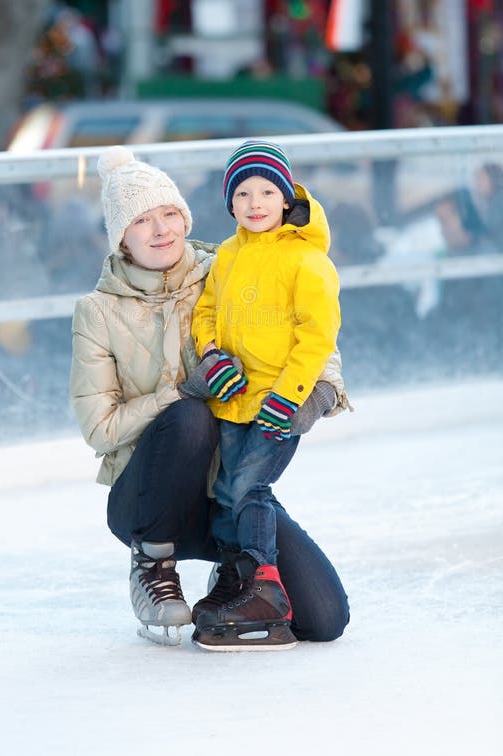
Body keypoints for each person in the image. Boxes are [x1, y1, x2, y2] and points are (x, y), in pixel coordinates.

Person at [70, 146, 350, 649]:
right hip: (150, 497)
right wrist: (185, 388)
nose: (162, 231)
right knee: (190, 417)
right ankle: (153, 562)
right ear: (121, 238)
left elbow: (310, 333)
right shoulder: (97, 312)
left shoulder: (226, 264)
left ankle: (233, 575)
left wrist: (322, 391)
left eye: (170, 214)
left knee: (324, 618)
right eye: (143, 222)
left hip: (227, 483)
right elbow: (99, 426)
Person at [188, 140, 348, 650]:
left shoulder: (307, 260)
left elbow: (317, 336)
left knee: (249, 491)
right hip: (232, 399)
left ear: (286, 198)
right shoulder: (228, 255)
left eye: (266, 191)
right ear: (230, 204)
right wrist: (211, 352)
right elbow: (205, 311)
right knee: (227, 492)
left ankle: (266, 590)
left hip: (276, 404)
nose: (255, 202)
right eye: (243, 193)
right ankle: (239, 581)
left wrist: (289, 396)